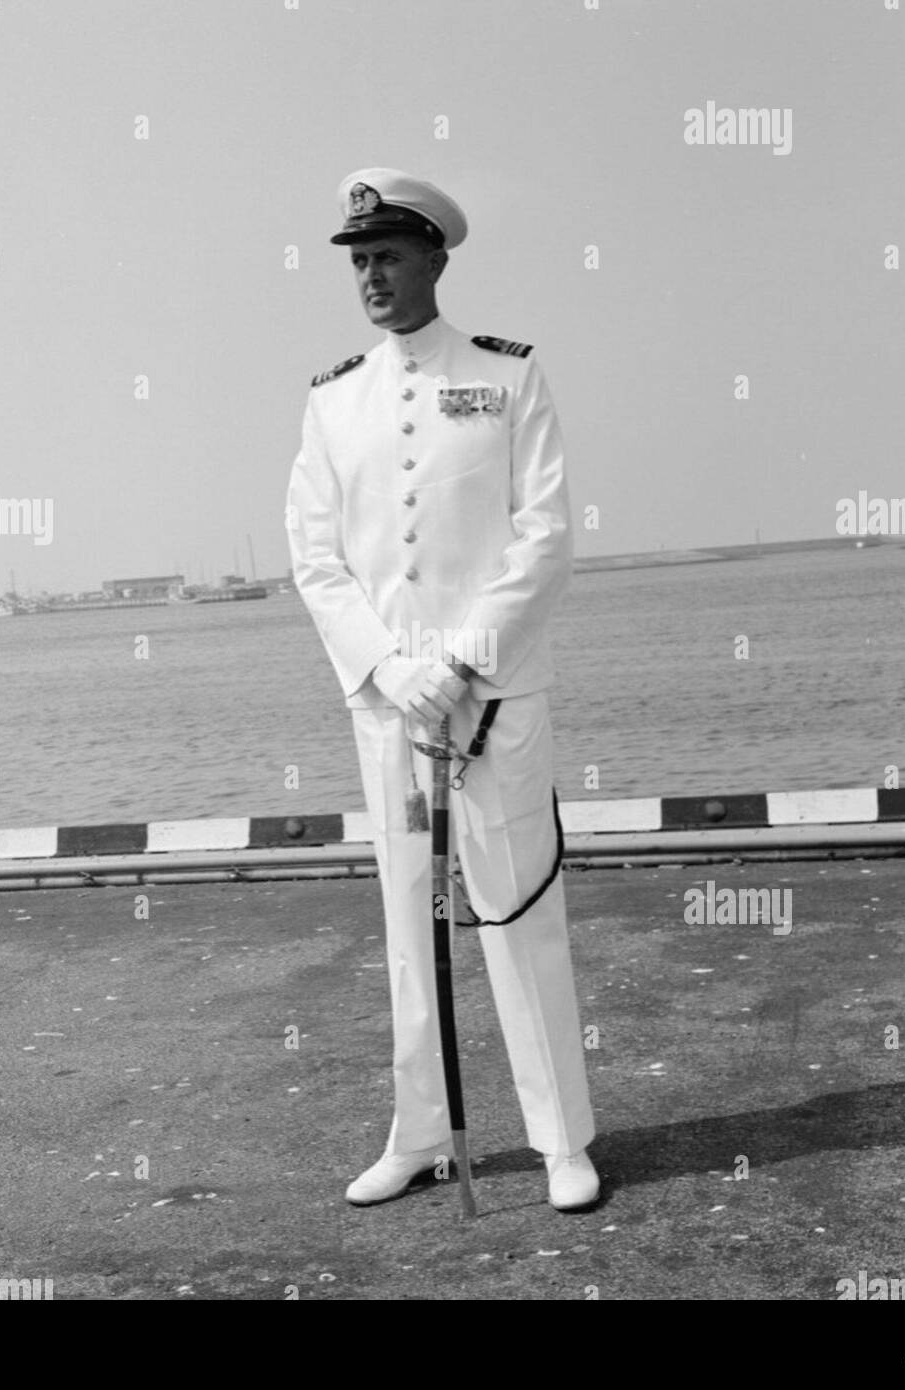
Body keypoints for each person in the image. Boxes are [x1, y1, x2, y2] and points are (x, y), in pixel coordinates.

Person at [286, 168, 598, 1211]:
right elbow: (317, 559)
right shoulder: (332, 401)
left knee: (517, 913)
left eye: (388, 255)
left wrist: (458, 661)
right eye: (358, 259)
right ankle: (418, 1132)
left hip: (492, 699)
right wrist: (389, 667)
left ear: (435, 259)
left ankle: (561, 1140)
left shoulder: (508, 377)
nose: (371, 274)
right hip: (390, 709)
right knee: (405, 925)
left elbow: (545, 536)